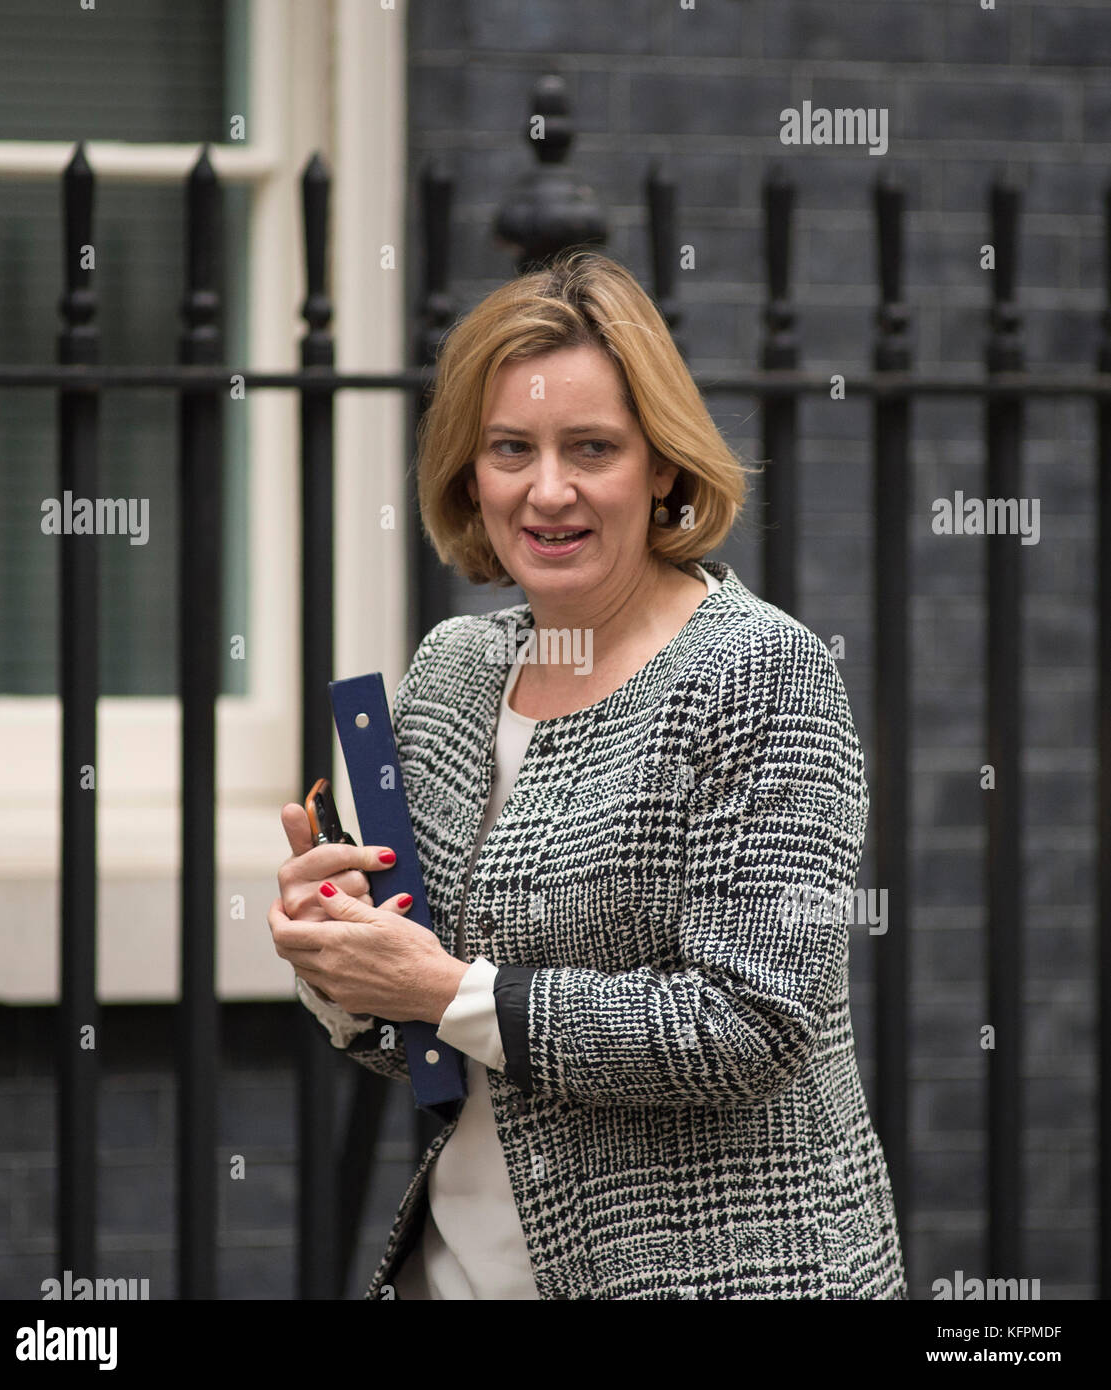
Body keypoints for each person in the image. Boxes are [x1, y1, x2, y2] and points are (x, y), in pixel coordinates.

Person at [268, 248, 907, 1300]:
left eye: (592, 447)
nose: (547, 489)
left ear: (660, 464)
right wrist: (341, 954)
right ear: (468, 471)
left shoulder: (758, 671)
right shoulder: (453, 670)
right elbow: (417, 1039)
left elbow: (752, 1024)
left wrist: (442, 984)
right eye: (510, 447)